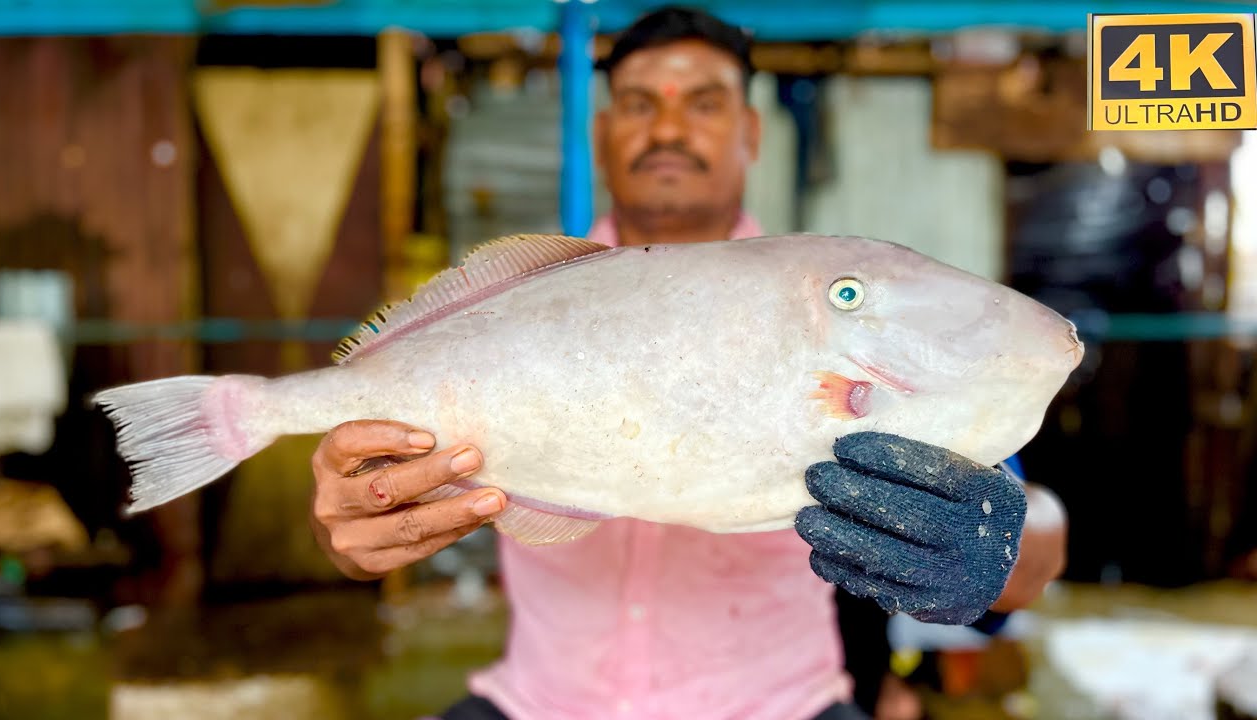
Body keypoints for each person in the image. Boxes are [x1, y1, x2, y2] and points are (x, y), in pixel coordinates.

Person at [307, 8, 1066, 719]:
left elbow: (1038, 536)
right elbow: (352, 516)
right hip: (539, 703)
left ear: (750, 133)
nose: (668, 126)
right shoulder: (514, 307)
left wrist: (1000, 544)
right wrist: (349, 526)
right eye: (640, 104)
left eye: (703, 103)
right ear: (602, 135)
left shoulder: (850, 313)